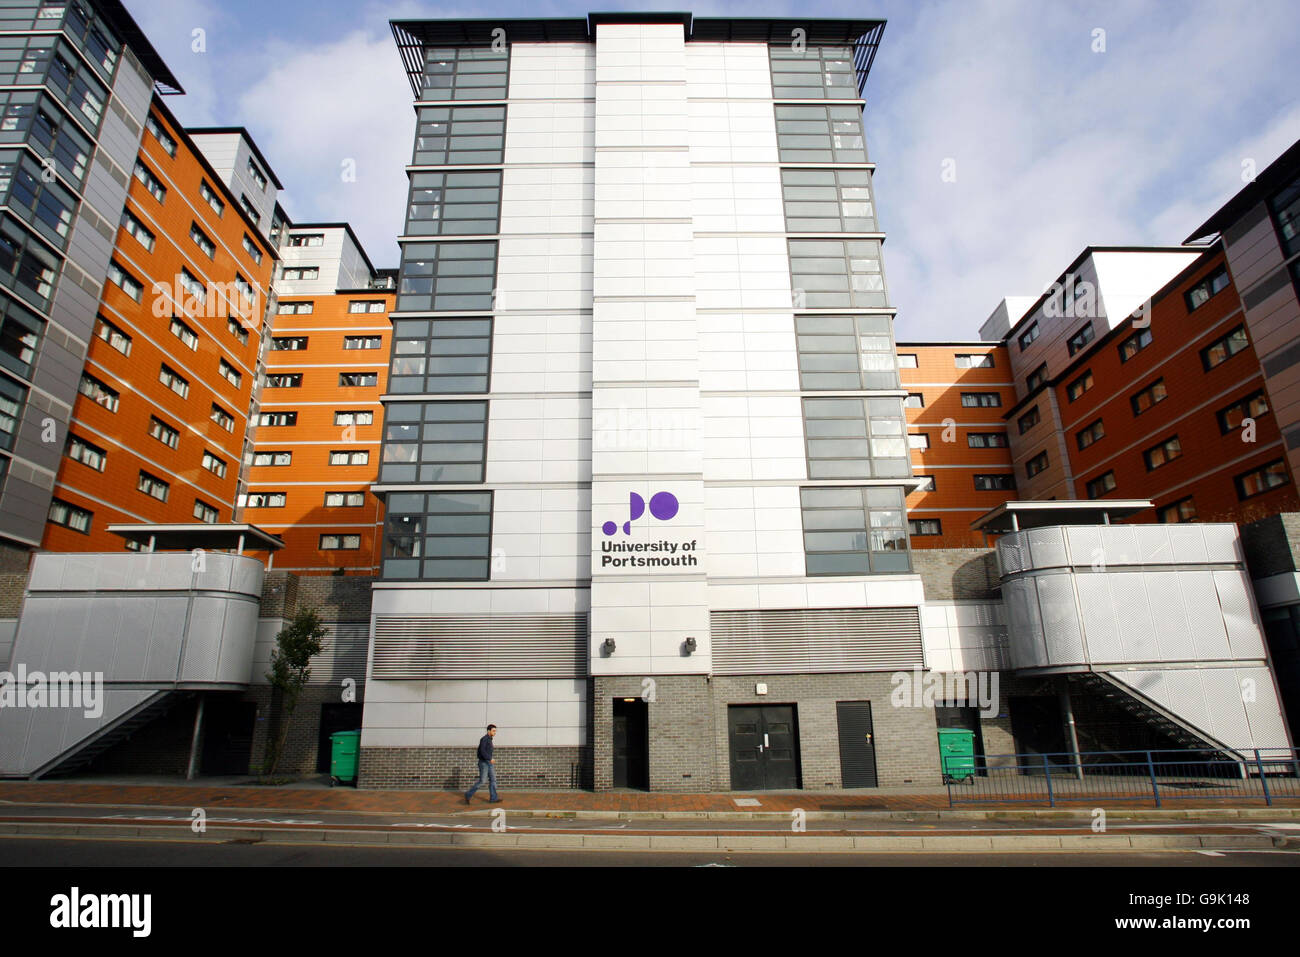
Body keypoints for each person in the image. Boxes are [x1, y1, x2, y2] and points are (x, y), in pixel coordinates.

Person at [464, 724, 500, 804]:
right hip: (483, 763)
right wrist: (490, 758)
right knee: (482, 781)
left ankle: (493, 798)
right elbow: (482, 752)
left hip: (489, 763)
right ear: (488, 731)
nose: (495, 732)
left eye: (495, 731)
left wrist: (490, 759)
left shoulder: (490, 739)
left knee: (493, 779)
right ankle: (468, 794)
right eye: (493, 731)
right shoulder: (484, 739)